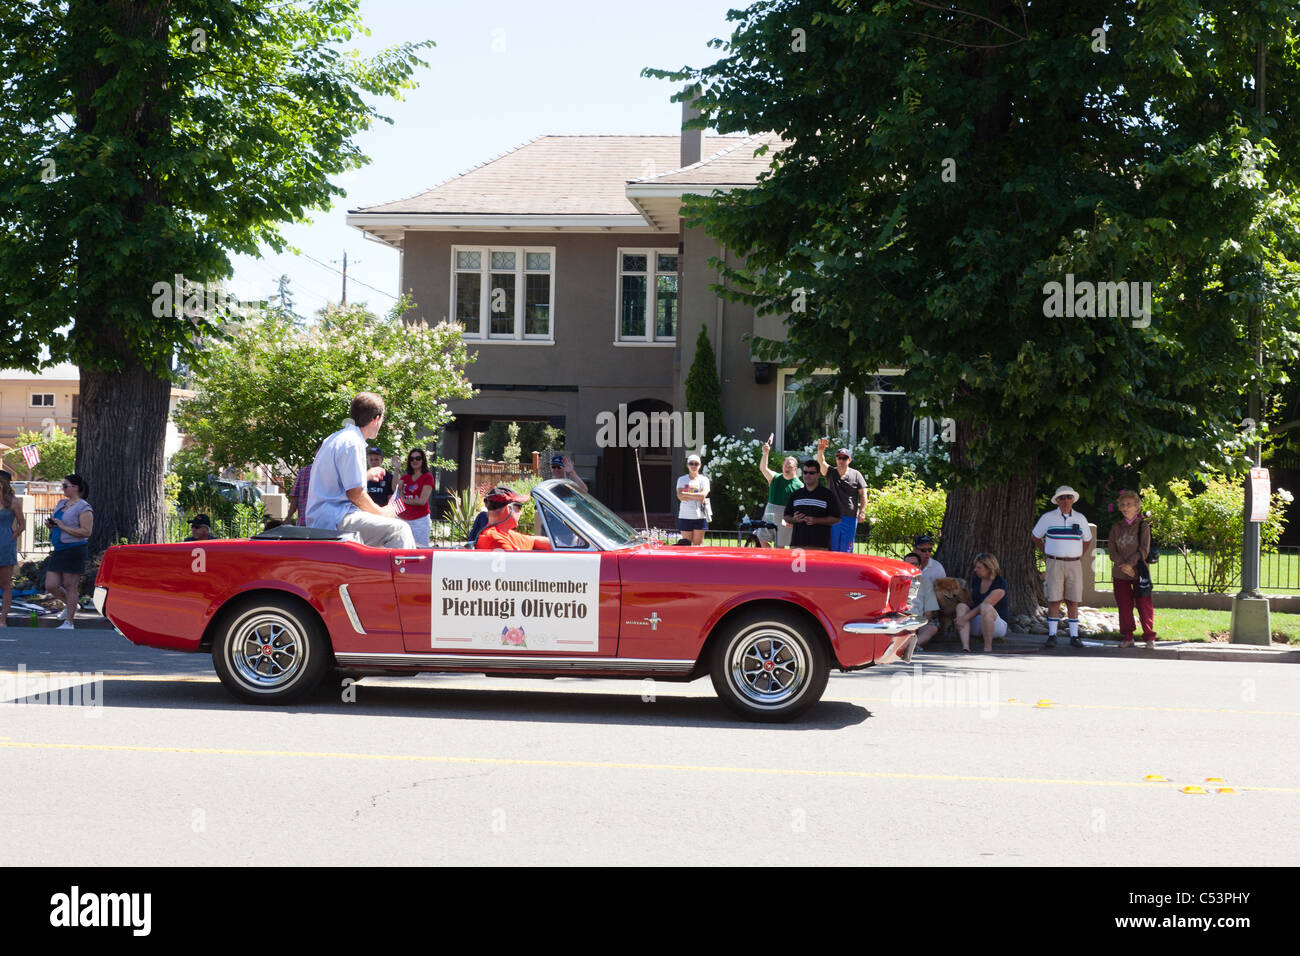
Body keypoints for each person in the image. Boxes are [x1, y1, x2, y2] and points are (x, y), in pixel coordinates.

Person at [304, 392, 415, 548]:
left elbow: (337, 482)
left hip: (323, 518)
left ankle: (379, 572)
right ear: (376, 419)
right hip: (335, 520)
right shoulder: (353, 443)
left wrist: (366, 475)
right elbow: (355, 494)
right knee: (399, 530)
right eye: (382, 419)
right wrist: (382, 512)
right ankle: (403, 573)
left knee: (381, 533)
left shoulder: (335, 438)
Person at [1032, 485, 1094, 648]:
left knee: (1073, 600)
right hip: (1054, 563)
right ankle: (1052, 635)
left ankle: (1074, 636)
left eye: (1068, 497)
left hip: (1074, 563)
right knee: (1054, 599)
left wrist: (1080, 555)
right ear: (1057, 501)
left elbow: (1087, 539)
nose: (1065, 500)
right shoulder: (1047, 518)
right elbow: (1036, 536)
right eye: (1062, 498)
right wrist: (1046, 552)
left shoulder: (1080, 518)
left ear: (1073, 499)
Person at [1110, 489, 1157, 649]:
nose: (1125, 507)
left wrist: (1130, 564)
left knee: (1144, 604)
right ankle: (1128, 637)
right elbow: (1112, 551)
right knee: (1124, 606)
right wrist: (1123, 566)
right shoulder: (1116, 527)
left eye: (1129, 504)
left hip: (1139, 572)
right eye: (1122, 504)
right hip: (1120, 573)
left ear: (1137, 507)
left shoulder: (1143, 526)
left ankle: (1149, 637)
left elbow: (1144, 550)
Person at [45, 473, 93, 630]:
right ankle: (72, 605)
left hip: (74, 549)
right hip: (59, 549)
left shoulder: (84, 507)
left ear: (75, 487)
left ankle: (69, 622)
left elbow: (86, 532)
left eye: (65, 486)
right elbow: (59, 523)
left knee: (70, 585)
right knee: (51, 585)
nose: (63, 488)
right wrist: (52, 525)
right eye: (62, 485)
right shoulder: (61, 503)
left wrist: (63, 526)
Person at [816, 438, 868, 552]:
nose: (841, 460)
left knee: (847, 550)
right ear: (836, 459)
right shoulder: (830, 473)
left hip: (850, 517)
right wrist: (820, 451)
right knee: (832, 549)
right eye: (839, 457)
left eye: (844, 458)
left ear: (849, 460)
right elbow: (821, 463)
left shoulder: (856, 475)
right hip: (832, 517)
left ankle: (846, 570)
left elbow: (863, 495)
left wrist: (862, 512)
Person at [955, 552, 1009, 652]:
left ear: (989, 568)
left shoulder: (1000, 583)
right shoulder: (977, 580)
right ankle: (965, 647)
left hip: (996, 624)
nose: (975, 570)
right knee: (961, 606)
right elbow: (972, 602)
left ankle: (987, 647)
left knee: (986, 607)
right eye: (975, 567)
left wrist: (964, 618)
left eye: (979, 568)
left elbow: (984, 605)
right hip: (978, 620)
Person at [783, 459, 840, 551]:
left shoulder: (828, 494)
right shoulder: (796, 494)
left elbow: (836, 518)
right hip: (797, 545)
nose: (807, 475)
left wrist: (816, 520)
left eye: (811, 473)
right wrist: (794, 519)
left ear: (818, 474)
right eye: (805, 472)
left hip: (819, 545)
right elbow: (786, 516)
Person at [474, 490, 553, 551]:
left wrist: (562, 544)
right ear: (508, 509)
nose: (521, 513)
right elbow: (517, 568)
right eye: (519, 508)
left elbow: (534, 540)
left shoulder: (505, 533)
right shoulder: (496, 540)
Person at [758, 443, 801, 547]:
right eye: (785, 465)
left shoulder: (799, 485)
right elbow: (763, 468)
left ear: (795, 469)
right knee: (762, 539)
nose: (786, 468)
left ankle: (779, 562)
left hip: (785, 516)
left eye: (789, 466)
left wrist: (793, 519)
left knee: (780, 546)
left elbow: (800, 506)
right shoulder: (775, 477)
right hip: (769, 514)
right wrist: (765, 453)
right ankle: (772, 560)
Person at [0, 469, 26, 628]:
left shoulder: (13, 501)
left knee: (5, 584)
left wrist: (11, 538)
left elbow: (22, 524)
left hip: (5, 546)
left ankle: (3, 619)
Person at [395, 447, 435, 547]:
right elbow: (394, 489)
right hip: (403, 519)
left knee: (420, 549)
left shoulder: (427, 477)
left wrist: (404, 500)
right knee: (401, 548)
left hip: (419, 520)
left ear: (423, 460)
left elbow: (422, 501)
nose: (415, 461)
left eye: (418, 458)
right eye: (412, 459)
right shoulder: (405, 477)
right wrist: (396, 469)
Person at [902, 552, 941, 649]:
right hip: (901, 620)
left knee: (932, 628)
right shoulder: (897, 583)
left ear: (919, 566)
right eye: (907, 564)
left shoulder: (926, 584)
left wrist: (918, 623)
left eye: (914, 564)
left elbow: (929, 612)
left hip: (919, 621)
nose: (911, 567)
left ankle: (911, 646)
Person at [675, 454, 711, 546]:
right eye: (691, 463)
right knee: (685, 545)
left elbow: (703, 495)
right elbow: (679, 496)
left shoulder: (704, 479)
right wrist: (697, 496)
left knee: (698, 546)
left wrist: (686, 494)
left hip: (700, 516)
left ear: (700, 465)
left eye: (696, 464)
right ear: (687, 465)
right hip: (685, 515)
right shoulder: (682, 479)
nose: (694, 466)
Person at [285, 440, 322, 526]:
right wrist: (288, 518)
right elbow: (295, 497)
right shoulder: (304, 472)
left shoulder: (335, 473)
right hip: (304, 523)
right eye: (319, 450)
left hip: (325, 525)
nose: (322, 454)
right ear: (315, 452)